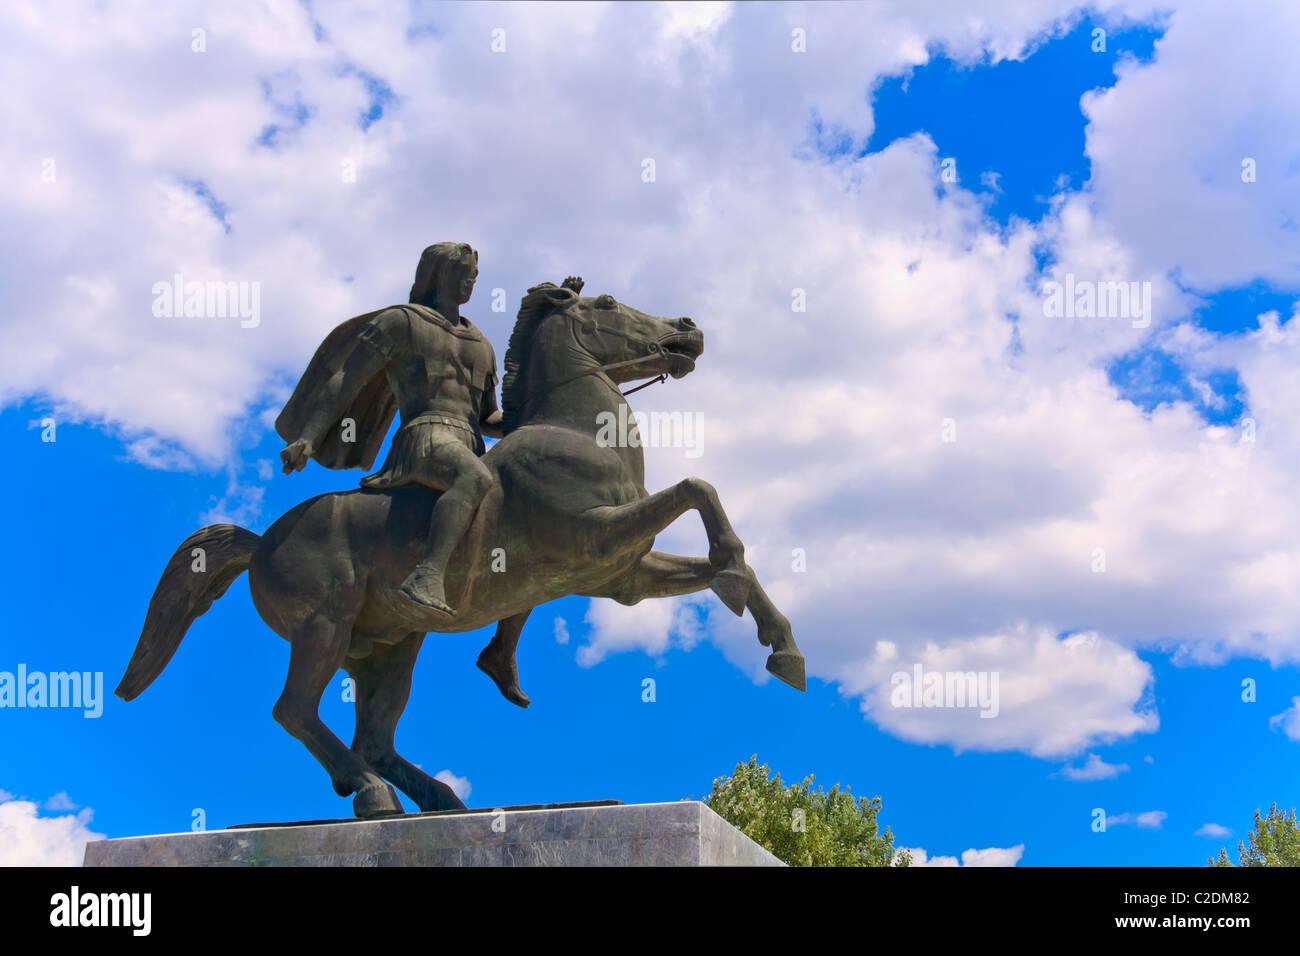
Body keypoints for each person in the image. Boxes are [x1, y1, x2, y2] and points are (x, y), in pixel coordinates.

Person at [275, 242, 501, 617]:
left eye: (474, 275)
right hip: (425, 438)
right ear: (437, 273)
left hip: (471, 442)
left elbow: (489, 418)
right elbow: (346, 379)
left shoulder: (483, 345)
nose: (469, 281)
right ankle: (426, 576)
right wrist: (310, 437)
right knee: (474, 478)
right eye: (461, 272)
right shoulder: (403, 322)